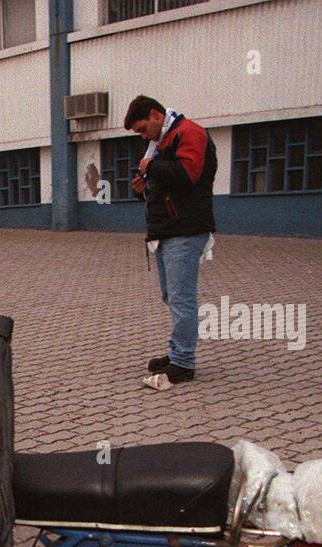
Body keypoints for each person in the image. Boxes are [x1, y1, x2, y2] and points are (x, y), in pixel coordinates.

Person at [124, 94, 217, 390]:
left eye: (141, 129)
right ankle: (177, 352)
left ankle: (183, 363)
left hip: (185, 230)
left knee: (181, 298)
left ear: (155, 115)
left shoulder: (189, 133)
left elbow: (188, 174)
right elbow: (163, 187)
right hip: (167, 230)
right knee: (172, 296)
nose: (142, 136)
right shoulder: (161, 142)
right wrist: (143, 188)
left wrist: (152, 167)